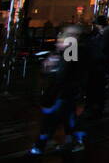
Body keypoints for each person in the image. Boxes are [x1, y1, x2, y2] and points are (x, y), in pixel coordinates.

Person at [30, 25, 85, 154]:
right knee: (67, 118)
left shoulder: (71, 47)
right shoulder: (72, 48)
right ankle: (73, 142)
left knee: (52, 119)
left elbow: (64, 73)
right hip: (66, 91)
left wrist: (52, 70)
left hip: (62, 91)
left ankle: (40, 145)